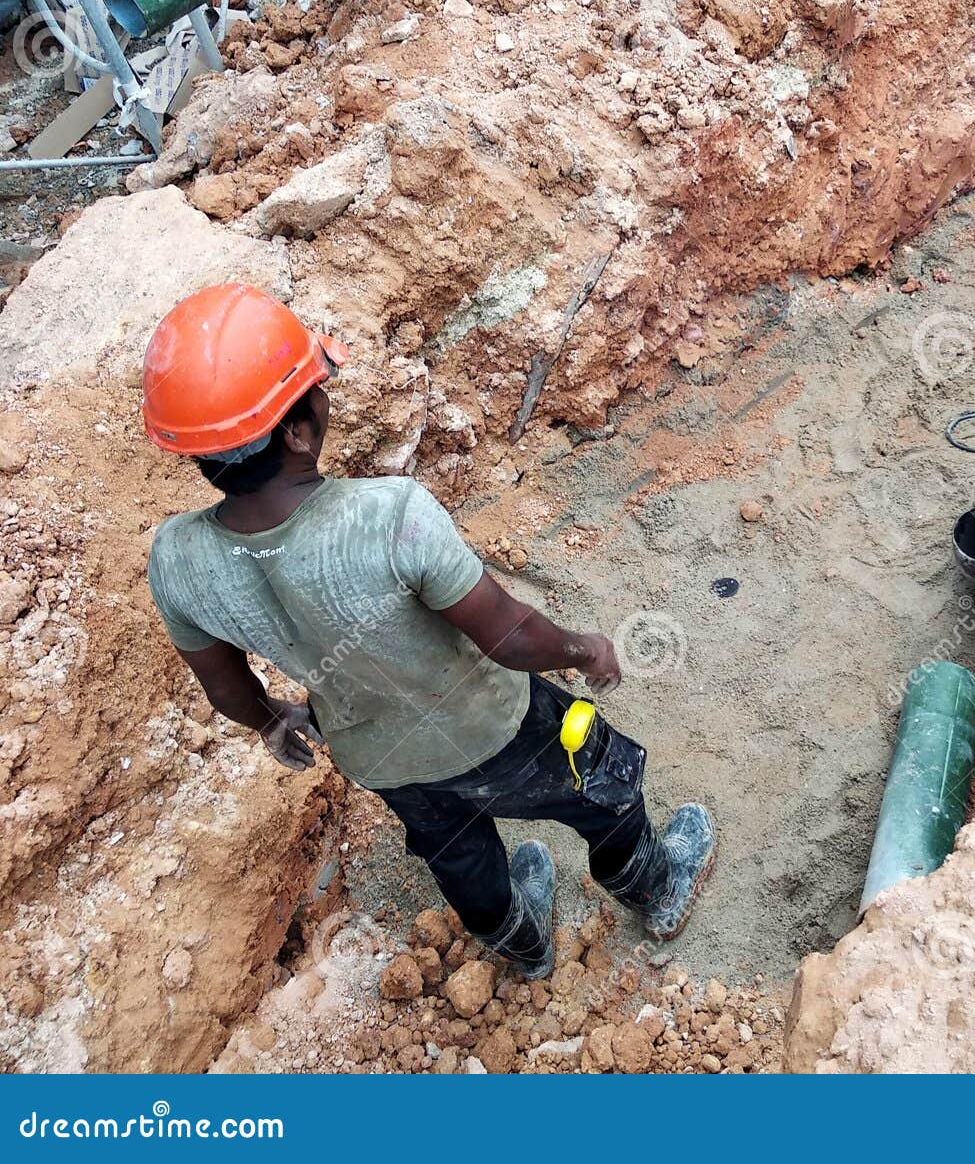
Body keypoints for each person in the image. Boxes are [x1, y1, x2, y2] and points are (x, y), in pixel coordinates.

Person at [140, 283, 714, 981]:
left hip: (375, 755)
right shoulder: (388, 515)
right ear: (294, 433)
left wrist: (272, 720)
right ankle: (654, 885)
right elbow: (509, 638)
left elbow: (227, 689)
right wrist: (581, 648)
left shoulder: (175, 559)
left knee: (455, 847)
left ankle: (524, 946)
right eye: (316, 389)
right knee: (600, 781)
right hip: (494, 724)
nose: (325, 396)